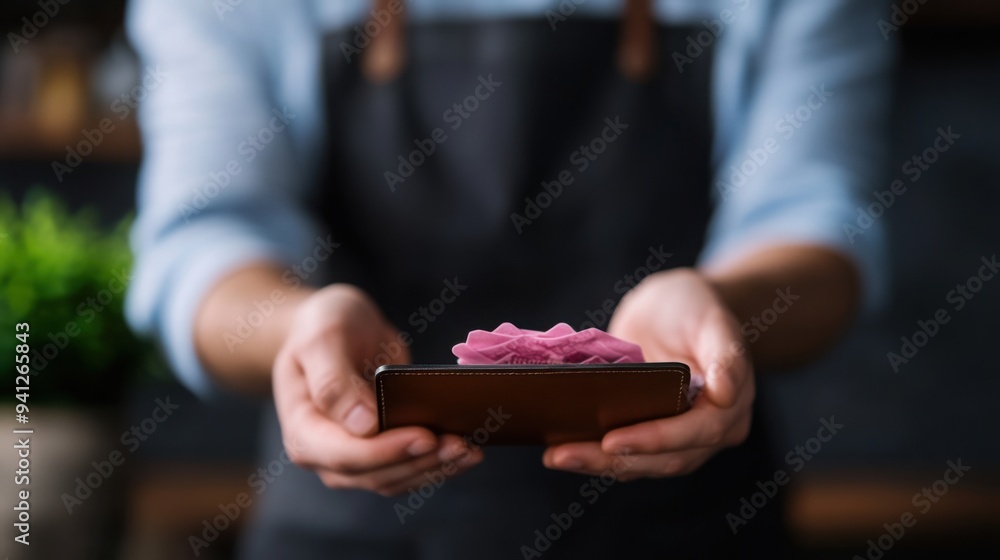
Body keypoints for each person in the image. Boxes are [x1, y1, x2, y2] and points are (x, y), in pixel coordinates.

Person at [125, 0, 891, 557]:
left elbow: (818, 230)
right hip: (355, 532)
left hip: (687, 526)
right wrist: (293, 329)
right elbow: (203, 241)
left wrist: (722, 308)